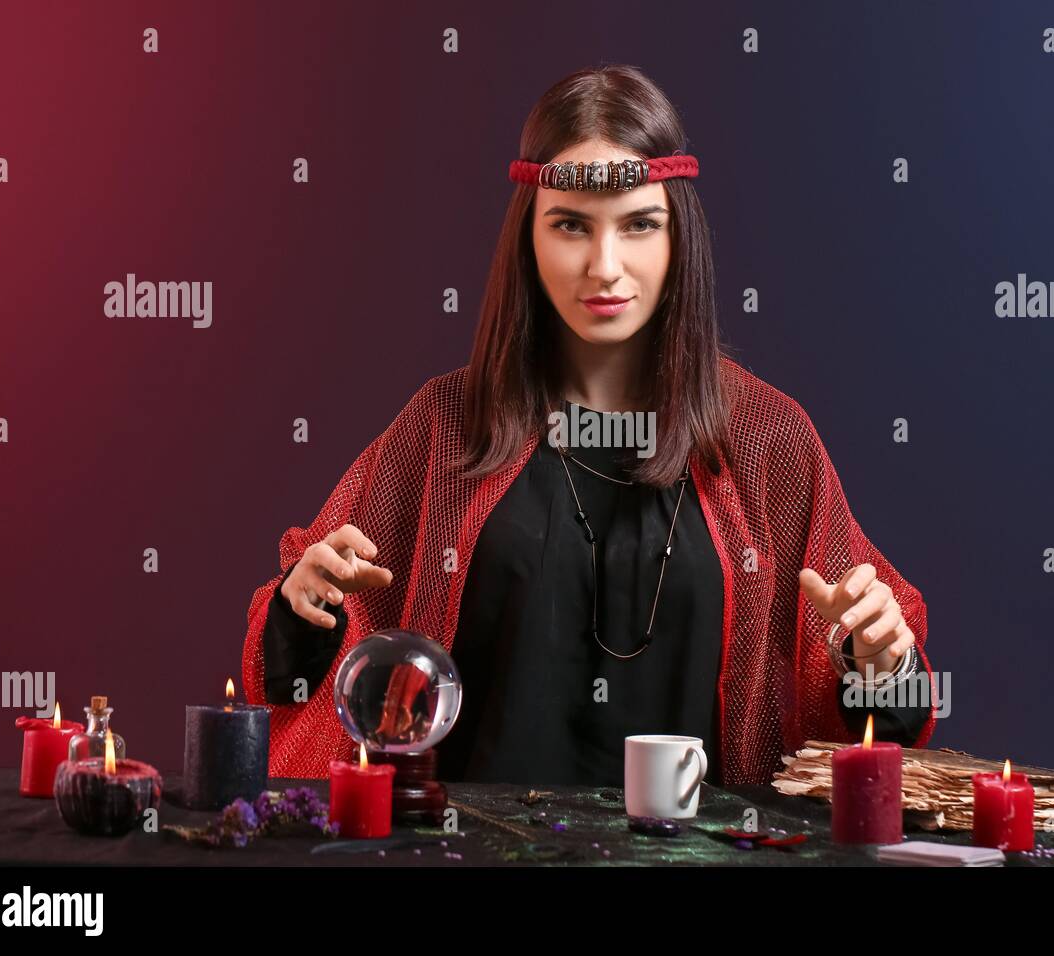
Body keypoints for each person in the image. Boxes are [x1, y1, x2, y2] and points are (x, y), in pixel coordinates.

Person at [241, 64, 938, 787]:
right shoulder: (447, 424)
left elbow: (878, 717)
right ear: (528, 238)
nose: (605, 266)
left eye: (639, 224)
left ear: (679, 239)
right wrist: (305, 604)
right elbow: (309, 674)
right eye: (571, 225)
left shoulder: (766, 437)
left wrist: (878, 662)